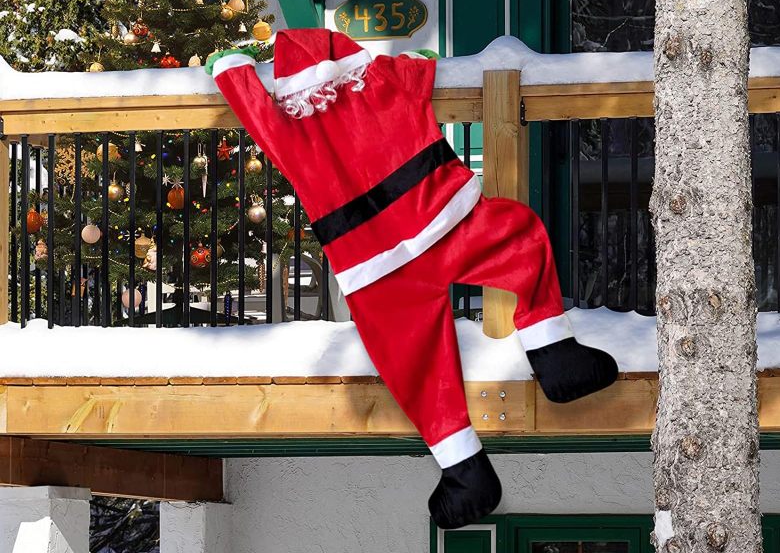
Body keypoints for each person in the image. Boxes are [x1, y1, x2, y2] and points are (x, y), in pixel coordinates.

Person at [206, 28, 618, 529]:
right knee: (521, 241)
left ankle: (464, 469)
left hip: (374, 264)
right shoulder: (386, 80)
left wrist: (232, 67)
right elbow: (421, 66)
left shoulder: (290, 129)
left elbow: (252, 106)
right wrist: (418, 59)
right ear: (354, 59)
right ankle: (554, 351)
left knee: (417, 367)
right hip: (445, 219)